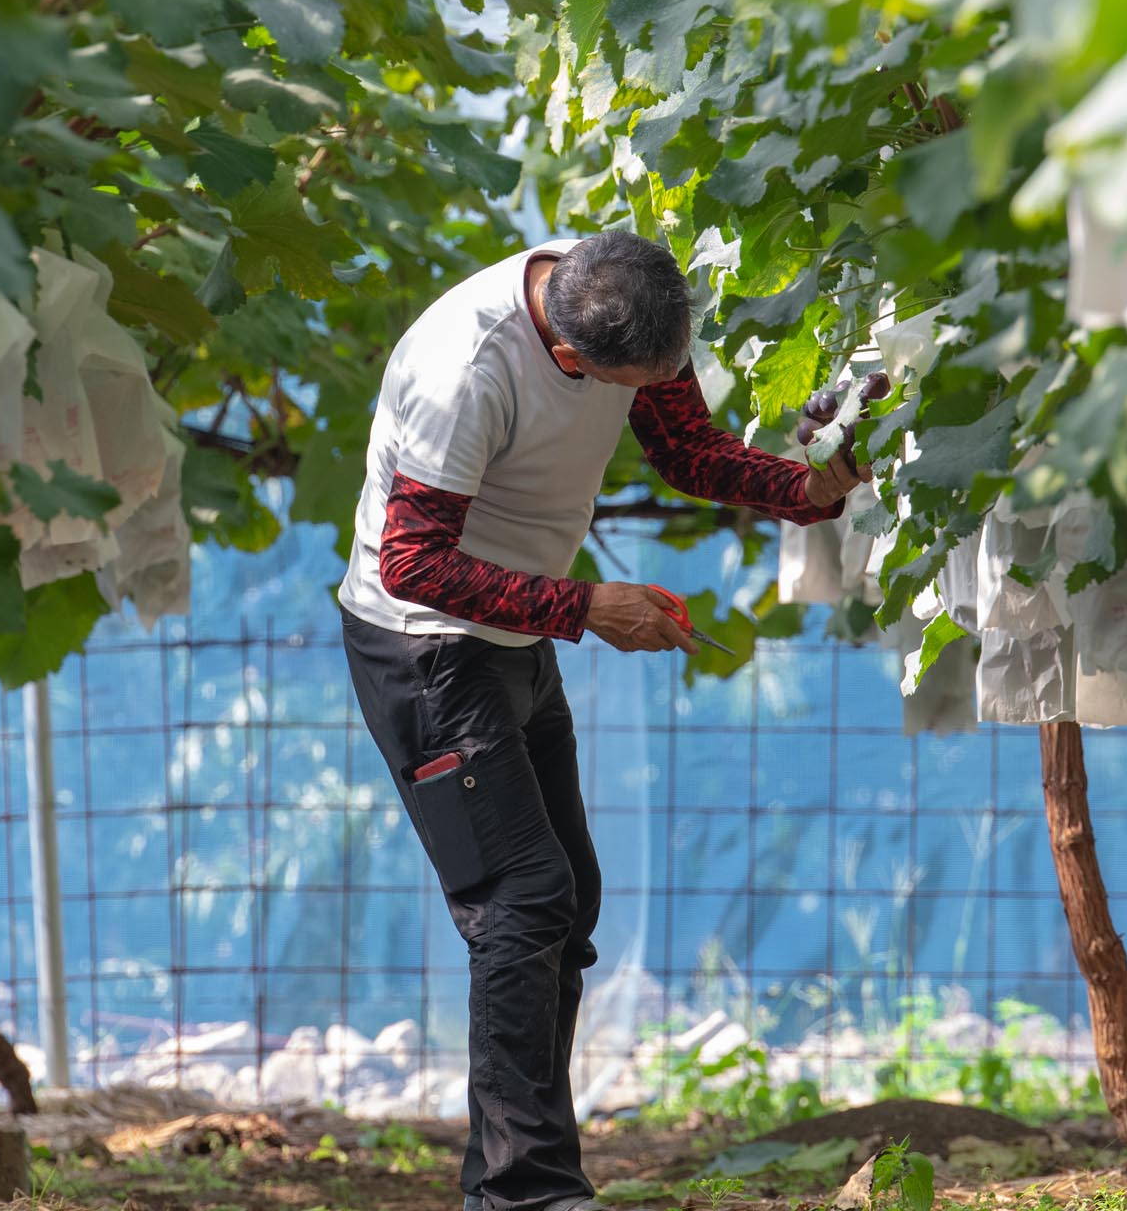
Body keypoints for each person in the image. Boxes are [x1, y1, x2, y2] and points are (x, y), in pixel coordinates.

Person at [337, 231, 868, 1211]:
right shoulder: (467, 369)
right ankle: (527, 1192)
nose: (662, 390)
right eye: (640, 383)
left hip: (513, 631)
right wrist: (586, 607)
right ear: (570, 357)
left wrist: (807, 489)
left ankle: (522, 1180)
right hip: (426, 645)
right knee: (522, 897)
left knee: (566, 896)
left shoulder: (627, 297)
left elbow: (686, 449)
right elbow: (412, 563)